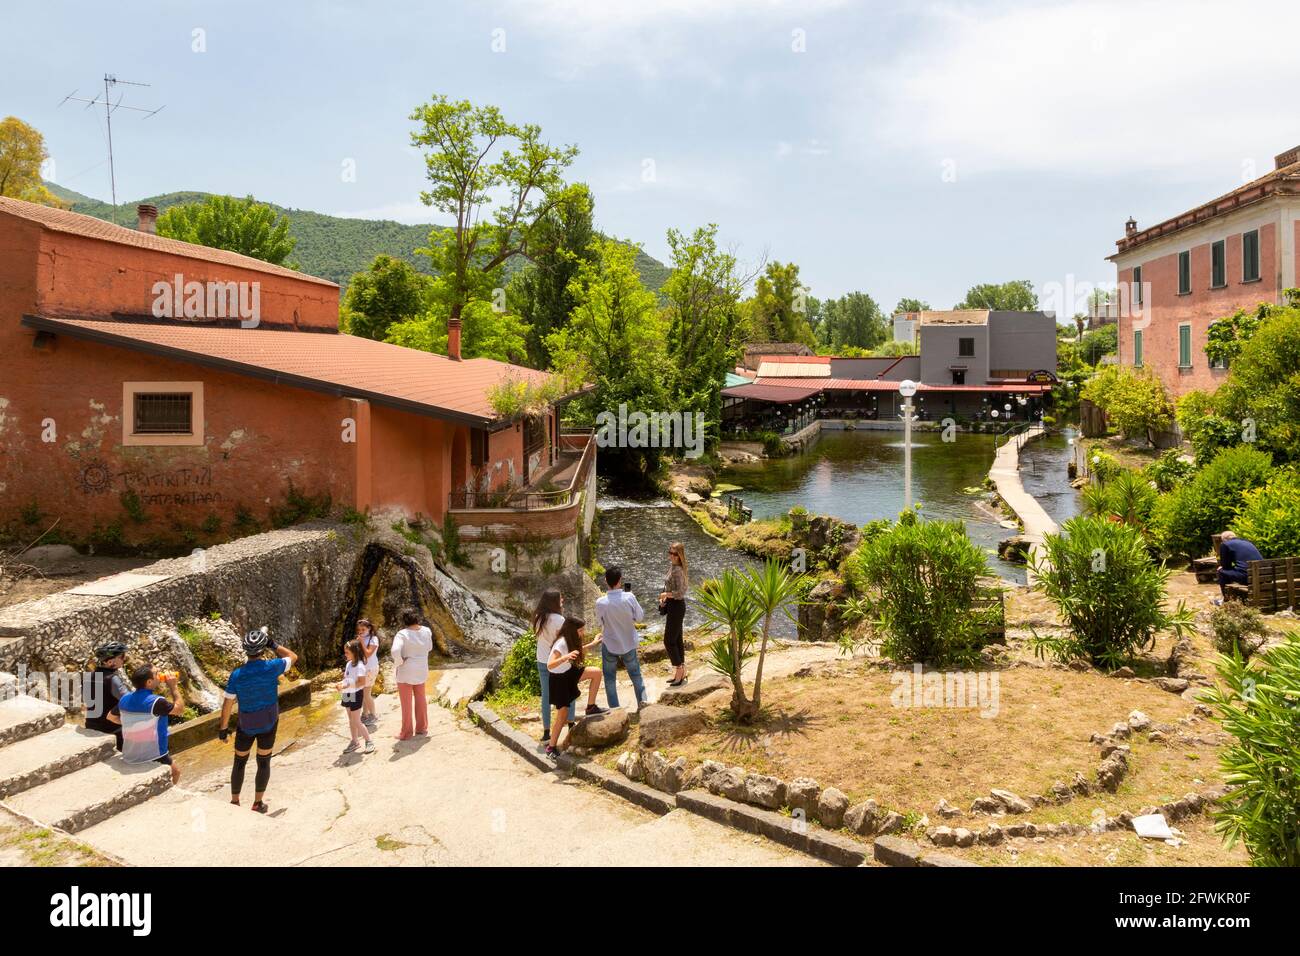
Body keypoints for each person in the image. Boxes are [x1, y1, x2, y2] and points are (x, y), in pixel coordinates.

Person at [219, 627, 298, 814]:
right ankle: (257, 803)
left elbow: (227, 703)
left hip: (246, 724)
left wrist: (223, 728)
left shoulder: (237, 675)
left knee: (239, 762)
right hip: (269, 722)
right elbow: (293, 656)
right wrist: (273, 644)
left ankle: (235, 802)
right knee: (264, 762)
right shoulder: (272, 666)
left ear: (245, 650)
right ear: (263, 650)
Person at [108, 664, 184, 784]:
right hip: (153, 754)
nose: (159, 676)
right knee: (176, 772)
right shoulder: (156, 702)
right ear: (149, 682)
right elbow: (179, 710)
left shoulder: (124, 699)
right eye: (156, 674)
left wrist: (133, 724)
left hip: (129, 755)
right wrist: (173, 687)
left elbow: (111, 717)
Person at [545, 616, 604, 760]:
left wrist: (593, 643)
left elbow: (578, 651)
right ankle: (551, 747)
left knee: (596, 672)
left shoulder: (570, 640)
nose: (583, 632)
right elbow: (550, 665)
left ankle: (590, 707)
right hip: (559, 680)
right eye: (581, 630)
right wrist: (565, 658)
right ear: (573, 630)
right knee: (562, 715)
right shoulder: (561, 643)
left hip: (569, 672)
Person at [594, 566, 647, 710]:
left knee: (610, 679)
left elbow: (599, 623)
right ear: (620, 581)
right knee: (636, 675)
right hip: (628, 643)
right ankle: (643, 705)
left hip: (610, 644)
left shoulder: (601, 602)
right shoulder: (629, 597)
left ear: (606, 581)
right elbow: (640, 617)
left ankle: (616, 711)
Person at [391, 608, 433, 741]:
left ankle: (406, 733)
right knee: (421, 699)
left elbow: (395, 650)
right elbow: (430, 647)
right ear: (417, 618)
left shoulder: (402, 634)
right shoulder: (426, 630)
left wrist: (399, 661)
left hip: (406, 670)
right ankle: (422, 728)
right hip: (421, 669)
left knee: (406, 703)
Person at [532, 589, 567, 743]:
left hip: (542, 660)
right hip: (557, 660)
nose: (562, 600)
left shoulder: (538, 618)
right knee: (567, 693)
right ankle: (570, 724)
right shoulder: (559, 619)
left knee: (546, 696)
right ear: (554, 601)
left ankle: (546, 731)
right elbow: (564, 640)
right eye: (560, 598)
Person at [84, 641, 131, 750]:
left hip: (92, 726)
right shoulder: (112, 679)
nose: (124, 659)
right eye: (122, 656)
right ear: (110, 661)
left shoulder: (88, 677)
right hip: (113, 730)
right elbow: (129, 700)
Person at [658, 542, 690, 687]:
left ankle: (679, 669)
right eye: (670, 552)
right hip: (673, 606)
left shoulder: (678, 570)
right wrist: (665, 598)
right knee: (676, 639)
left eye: (674, 554)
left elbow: (681, 592)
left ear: (680, 555)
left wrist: (667, 594)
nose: (671, 556)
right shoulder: (673, 567)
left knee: (668, 641)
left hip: (677, 606)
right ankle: (681, 671)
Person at [337, 639, 375, 755]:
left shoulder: (360, 666)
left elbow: (362, 682)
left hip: (356, 694)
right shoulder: (348, 664)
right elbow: (346, 678)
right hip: (347, 693)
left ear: (355, 652)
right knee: (351, 719)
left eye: (347, 652)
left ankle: (369, 741)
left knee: (356, 720)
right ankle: (355, 741)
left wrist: (348, 685)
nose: (345, 654)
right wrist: (341, 684)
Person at [1218, 531, 1263, 599]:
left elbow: (1225, 566)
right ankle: (1238, 595)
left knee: (1221, 571)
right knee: (1236, 570)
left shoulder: (1225, 544)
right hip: (1264, 575)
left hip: (1248, 577)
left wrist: (1221, 568)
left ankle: (1226, 600)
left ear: (1223, 539)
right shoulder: (1248, 542)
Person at [357, 619, 380, 728]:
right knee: (363, 693)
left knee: (366, 694)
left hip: (370, 668)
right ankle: (365, 714)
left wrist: (361, 642)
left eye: (363, 629)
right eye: (359, 629)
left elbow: (368, 654)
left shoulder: (373, 639)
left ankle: (373, 715)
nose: (361, 631)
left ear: (369, 628)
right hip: (362, 669)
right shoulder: (361, 639)